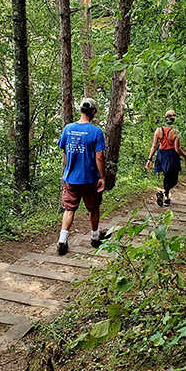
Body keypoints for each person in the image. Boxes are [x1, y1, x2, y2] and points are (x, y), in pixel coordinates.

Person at [57, 98, 108, 255]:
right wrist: (102, 177)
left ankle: (62, 240)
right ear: (93, 112)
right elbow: (99, 157)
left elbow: (64, 148)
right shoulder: (96, 132)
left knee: (69, 208)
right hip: (89, 179)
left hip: (71, 177)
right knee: (93, 208)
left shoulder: (68, 129)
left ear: (81, 110)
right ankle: (94, 237)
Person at [145, 110, 186, 206]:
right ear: (173, 120)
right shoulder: (175, 132)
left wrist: (149, 159)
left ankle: (166, 196)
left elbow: (154, 146)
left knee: (166, 176)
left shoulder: (158, 130)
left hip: (161, 155)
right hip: (172, 155)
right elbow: (177, 149)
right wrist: (185, 156)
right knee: (174, 180)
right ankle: (165, 194)